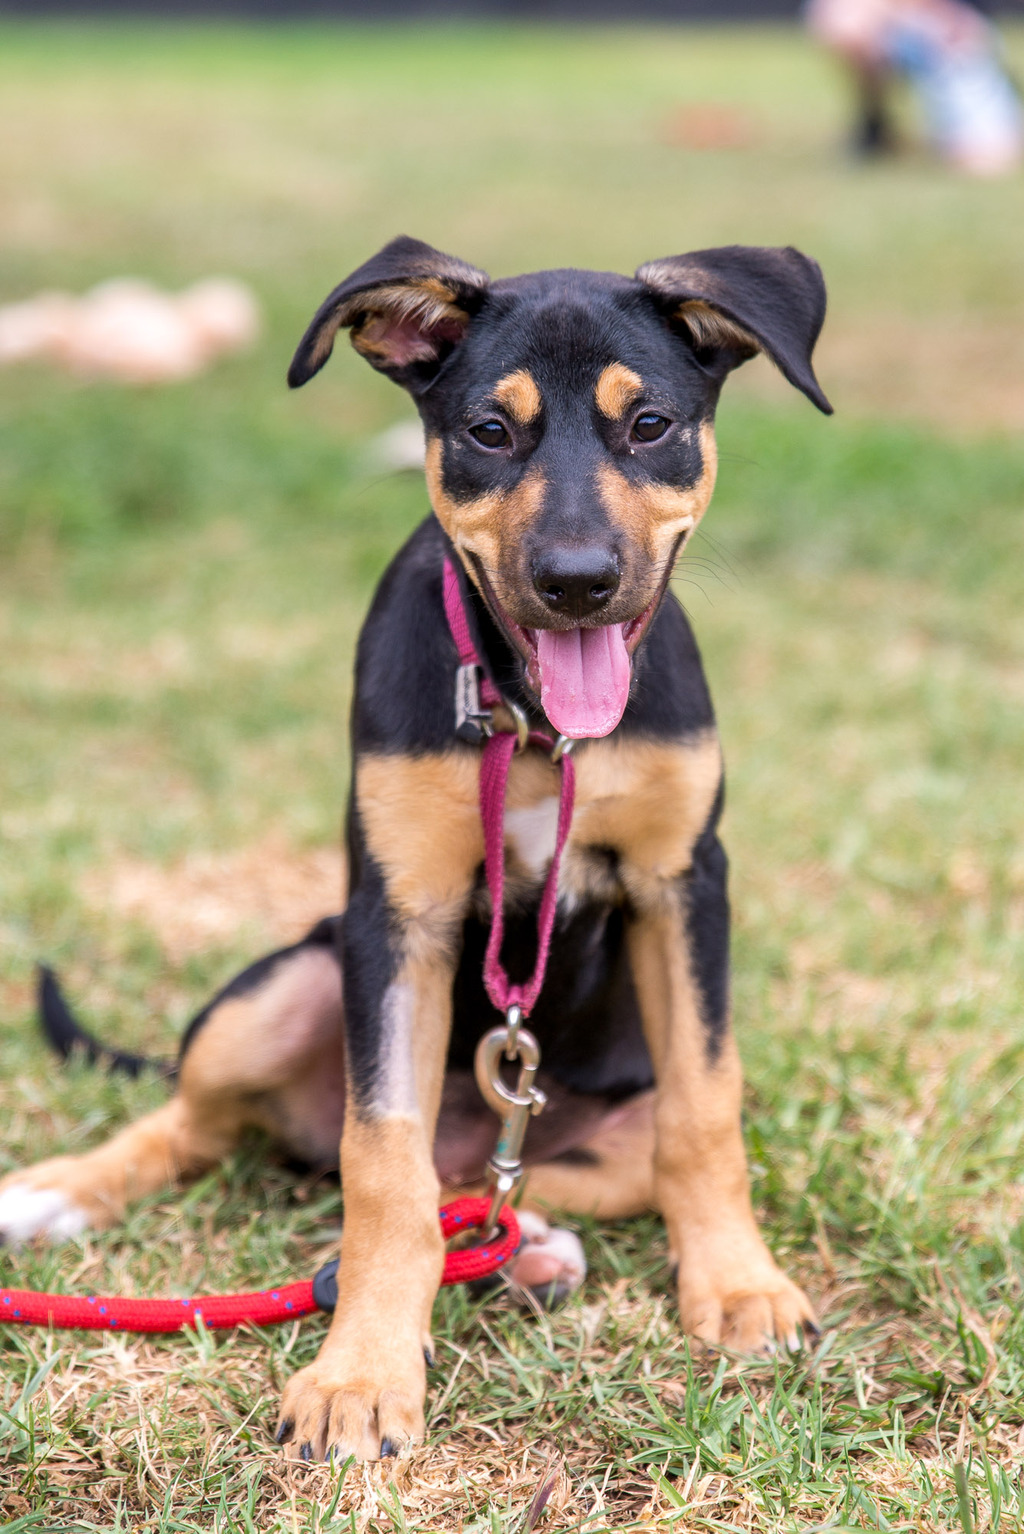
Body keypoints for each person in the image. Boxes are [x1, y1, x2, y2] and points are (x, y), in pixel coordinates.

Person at [805, 0, 1024, 174]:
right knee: (844, 19)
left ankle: (994, 95)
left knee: (986, 162)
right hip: (899, 26)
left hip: (955, 31)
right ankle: (875, 124)